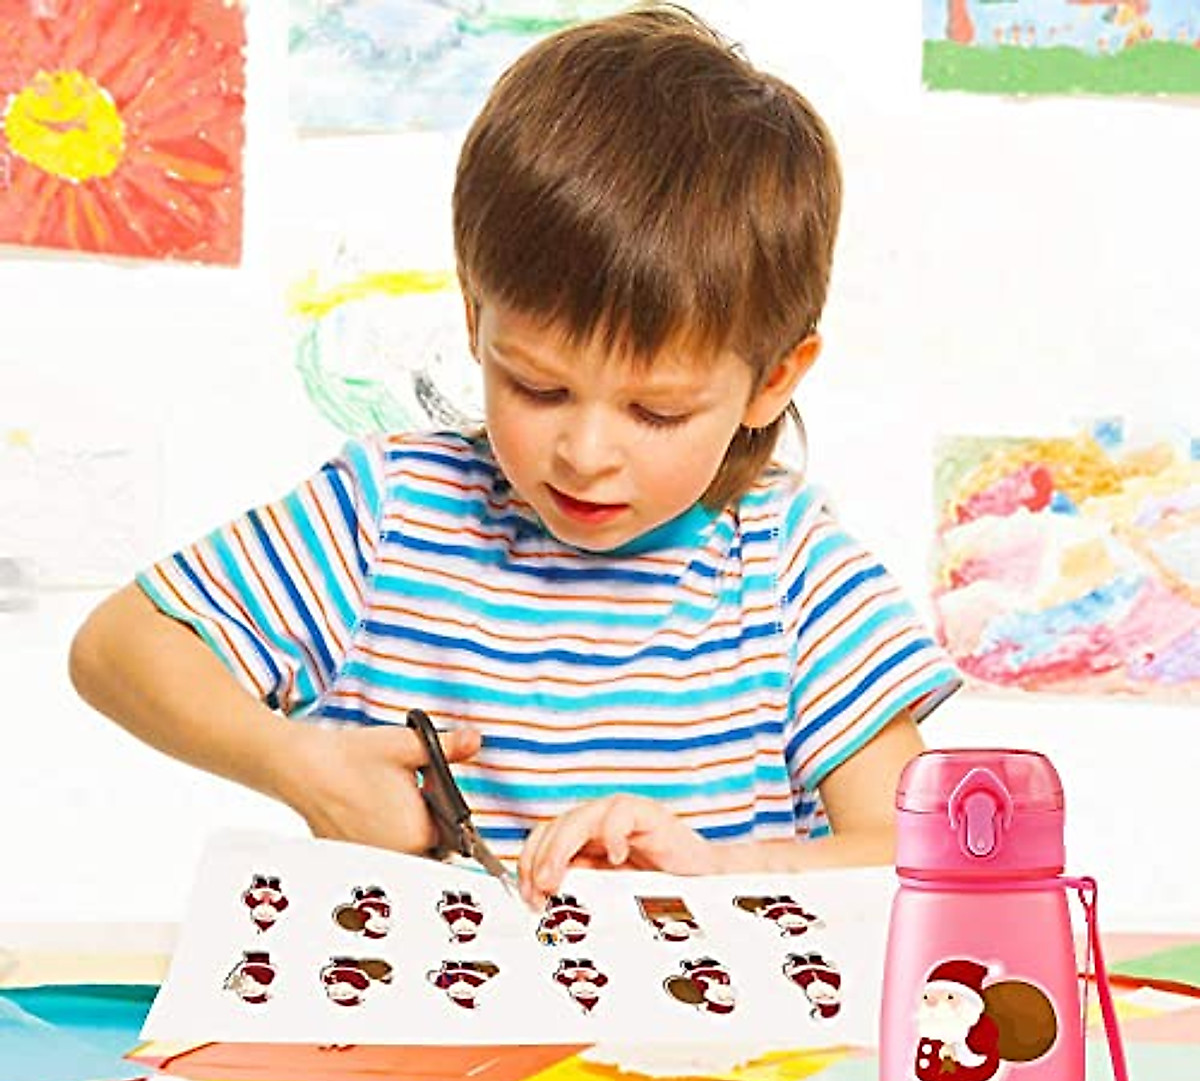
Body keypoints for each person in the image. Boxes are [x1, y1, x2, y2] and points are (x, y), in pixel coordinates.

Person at [69, 4, 959, 909]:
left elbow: (922, 855)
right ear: (475, 321)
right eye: (537, 388)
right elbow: (118, 647)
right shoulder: (391, 516)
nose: (585, 454)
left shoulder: (790, 569)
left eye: (656, 411)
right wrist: (302, 764)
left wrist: (719, 871)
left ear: (772, 381)